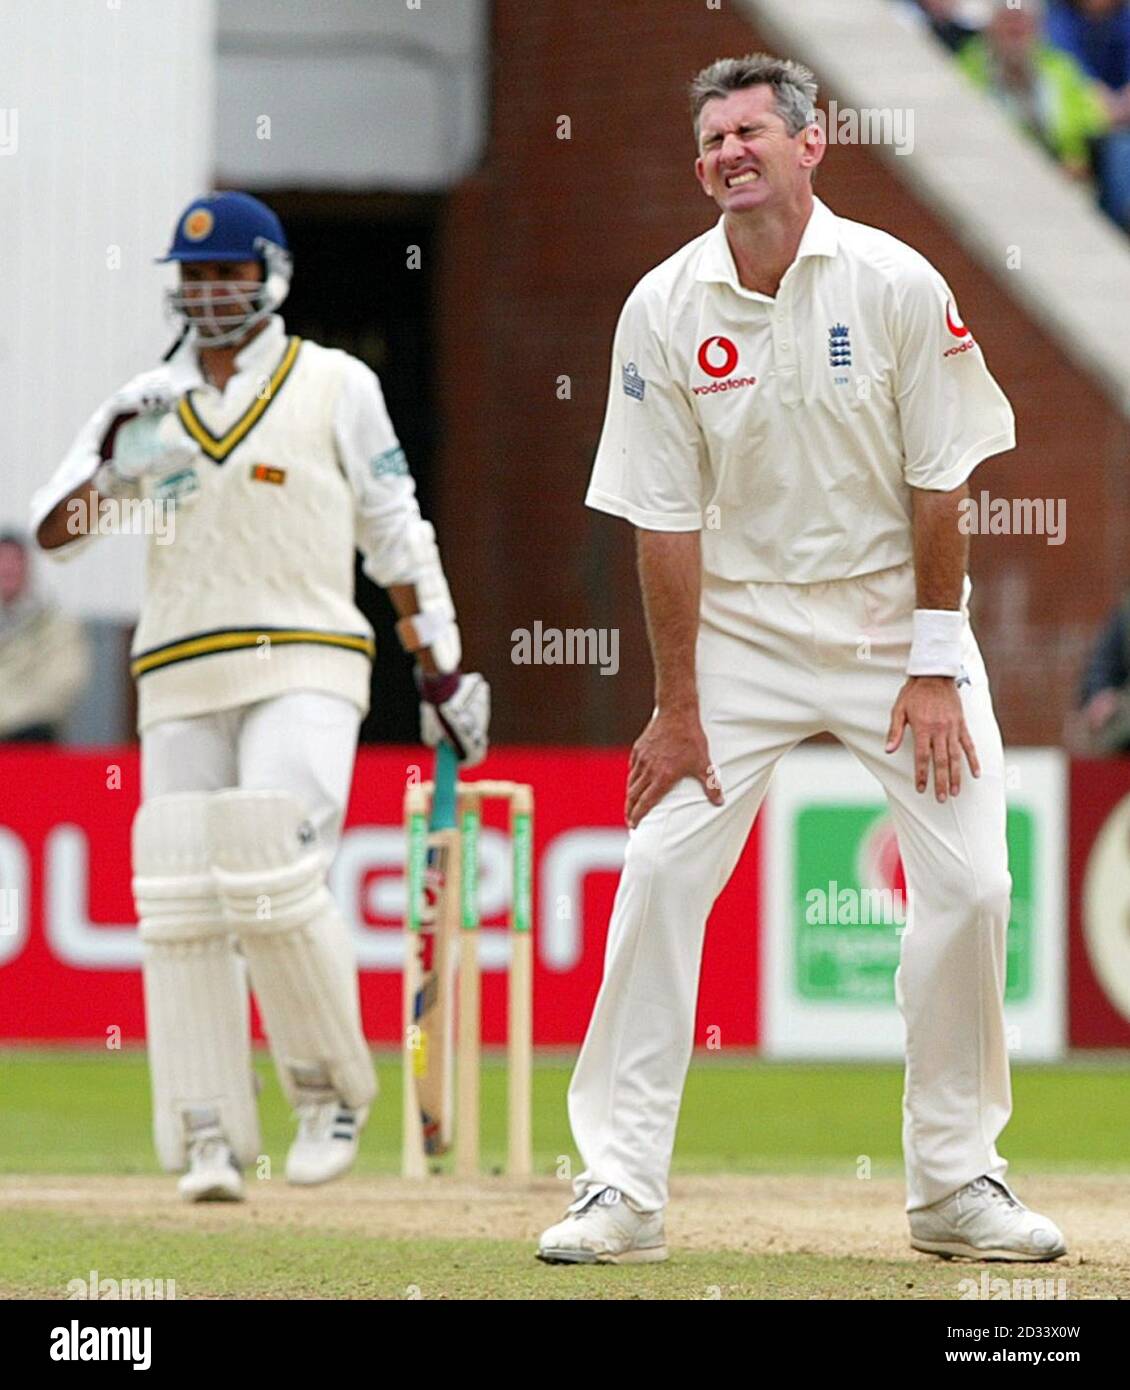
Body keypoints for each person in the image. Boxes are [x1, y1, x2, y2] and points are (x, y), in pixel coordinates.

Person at [537, 54, 1067, 1265]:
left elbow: (941, 486)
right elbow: (659, 520)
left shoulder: (892, 281)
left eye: (748, 133)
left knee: (975, 890)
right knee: (661, 876)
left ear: (809, 142)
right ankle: (618, 1190)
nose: (728, 153)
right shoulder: (663, 306)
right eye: (710, 139)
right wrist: (676, 706)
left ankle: (950, 1185)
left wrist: (933, 664)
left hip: (897, 627)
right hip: (739, 632)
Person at [30, 191, 490, 1202]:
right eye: (194, 276)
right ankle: (207, 1129)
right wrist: (118, 468)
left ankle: (328, 1092)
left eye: (227, 272)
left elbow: (394, 529)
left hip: (309, 654)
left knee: (269, 851)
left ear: (269, 278)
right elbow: (55, 531)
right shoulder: (147, 402)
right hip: (179, 670)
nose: (210, 290)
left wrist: (440, 661)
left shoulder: (335, 384)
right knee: (180, 891)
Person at [957, 0, 1113, 186]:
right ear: (990, 27)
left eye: (1022, 22)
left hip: (1060, 171)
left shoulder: (1060, 67)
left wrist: (1076, 159)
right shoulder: (966, 70)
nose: (1016, 29)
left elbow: (1091, 124)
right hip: (994, 173)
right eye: (1008, 21)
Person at [0, 529, 90, 741]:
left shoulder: (57, 626)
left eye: (13, 562)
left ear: (27, 568)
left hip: (33, 738)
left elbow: (65, 682)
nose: (6, 569)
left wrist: (10, 715)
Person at [1046, 0, 1130, 225]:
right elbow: (1066, 70)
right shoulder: (1057, 18)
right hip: (1079, 127)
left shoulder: (1125, 17)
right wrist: (1101, 105)